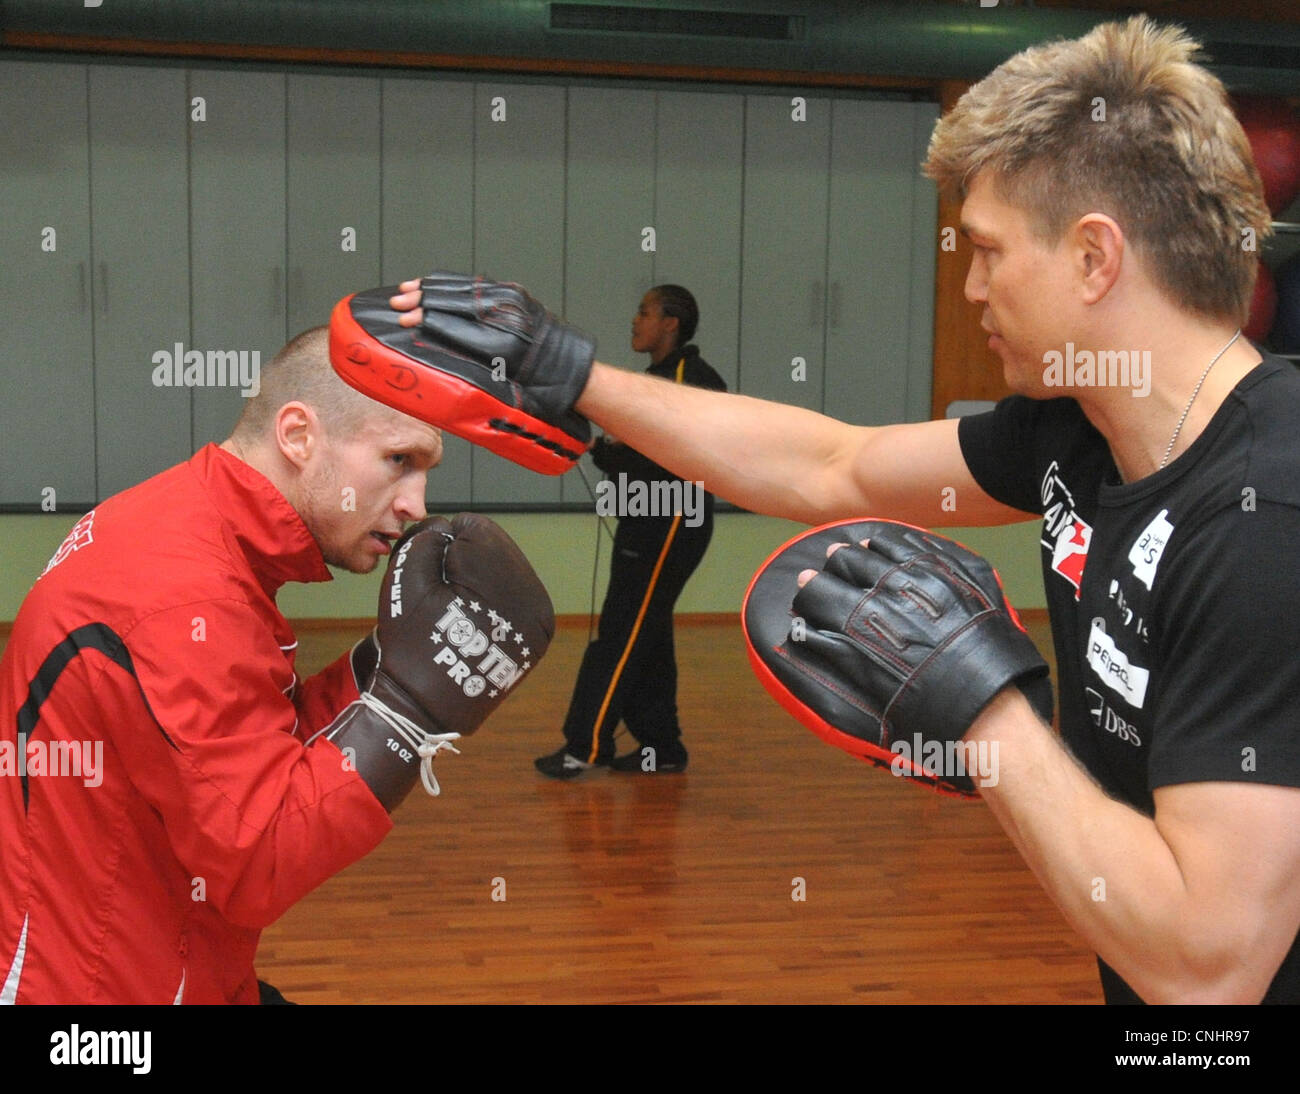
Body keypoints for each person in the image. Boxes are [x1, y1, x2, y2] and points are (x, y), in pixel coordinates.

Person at [384, 16, 1300, 1003]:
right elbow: (834, 465)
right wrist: (573, 376)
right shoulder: (1075, 429)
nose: (972, 285)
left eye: (988, 251)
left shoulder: (1264, 518)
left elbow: (1210, 969)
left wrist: (988, 714)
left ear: (1092, 257)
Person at [0, 326, 553, 1003]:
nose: (416, 503)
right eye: (398, 460)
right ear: (298, 436)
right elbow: (261, 857)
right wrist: (407, 713)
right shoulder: (185, 595)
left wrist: (388, 659)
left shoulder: (187, 527)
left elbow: (242, 745)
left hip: (163, 954)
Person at [534, 286, 726, 778]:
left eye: (645, 312)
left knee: (622, 631)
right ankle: (661, 748)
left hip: (671, 523)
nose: (635, 321)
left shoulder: (689, 381)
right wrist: (597, 445)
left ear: (671, 324)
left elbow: (670, 461)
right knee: (649, 632)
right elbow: (638, 457)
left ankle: (585, 745)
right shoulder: (655, 379)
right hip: (644, 519)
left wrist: (607, 449)